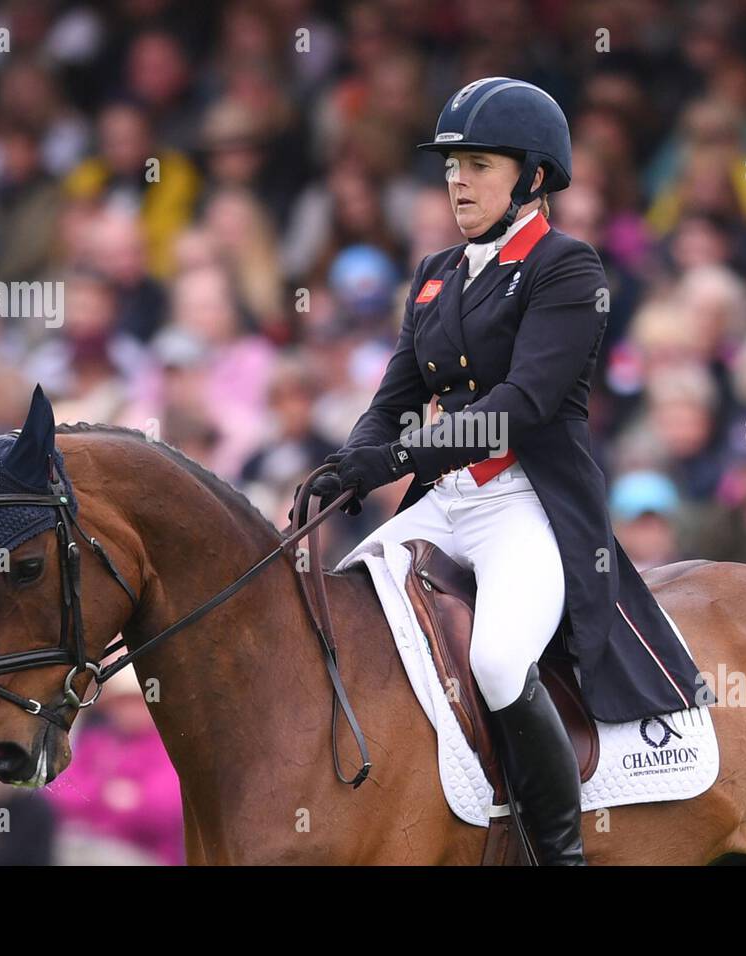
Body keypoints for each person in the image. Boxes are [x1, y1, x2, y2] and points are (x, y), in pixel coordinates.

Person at [299, 77, 711, 865]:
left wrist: (396, 458)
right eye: (451, 165)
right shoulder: (436, 270)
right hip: (442, 500)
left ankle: (557, 850)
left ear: (531, 176)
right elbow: (393, 398)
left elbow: (521, 404)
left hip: (526, 504)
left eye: (478, 164)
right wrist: (350, 464)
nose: (457, 180)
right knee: (333, 619)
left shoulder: (568, 268)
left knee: (495, 659)